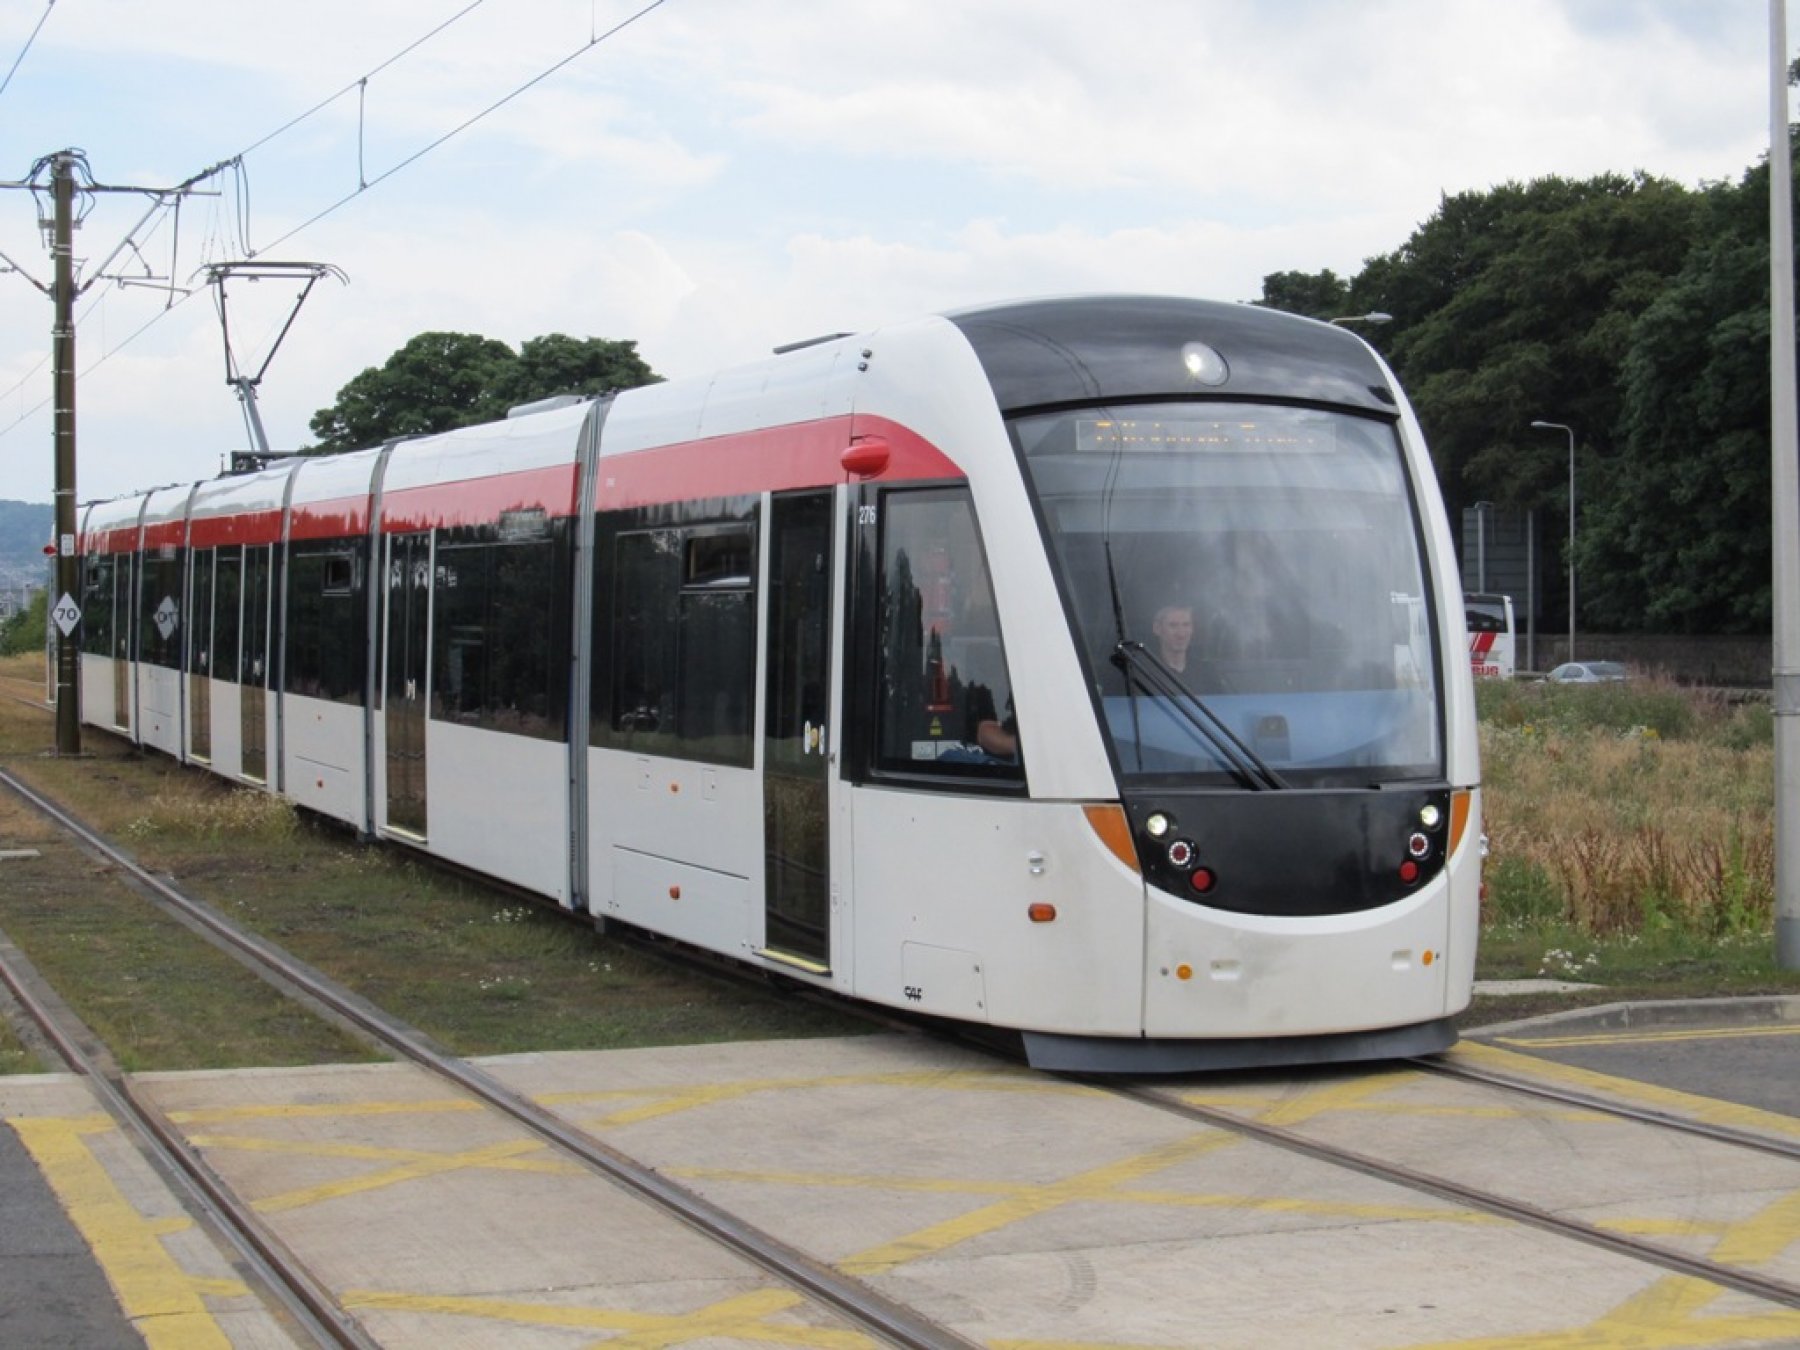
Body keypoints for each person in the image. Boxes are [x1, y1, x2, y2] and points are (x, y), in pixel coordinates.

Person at [1152, 603, 1195, 673]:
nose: (1181, 634)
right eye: (1173, 625)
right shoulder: (1143, 671)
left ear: (1192, 629)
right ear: (1157, 628)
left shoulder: (1206, 670)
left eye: (1186, 625)